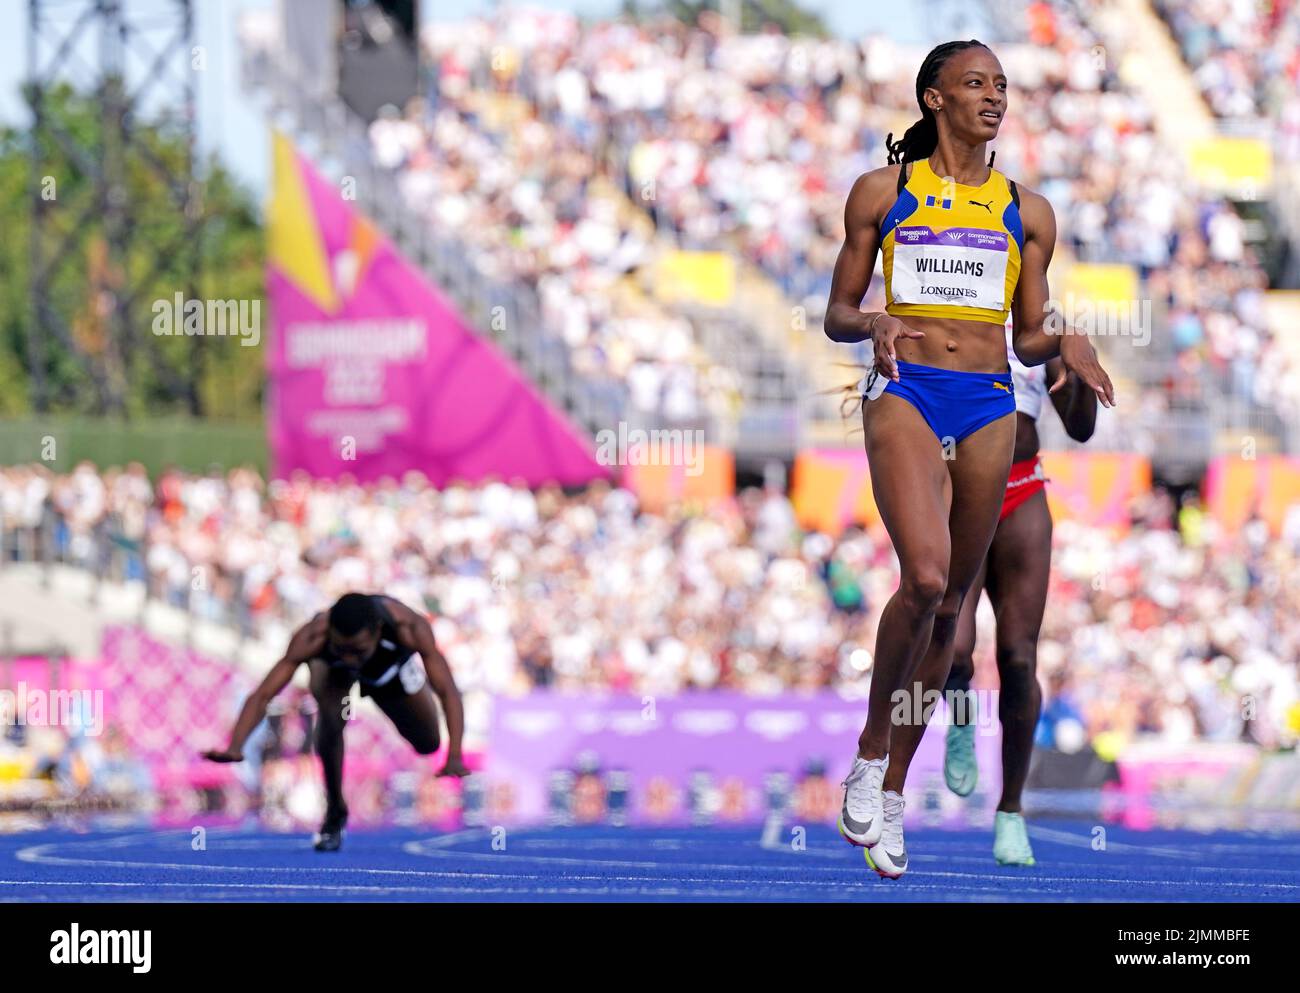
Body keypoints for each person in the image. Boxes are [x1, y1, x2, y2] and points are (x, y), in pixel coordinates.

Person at [823, 39, 1114, 878]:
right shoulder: (883, 192)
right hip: (907, 390)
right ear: (934, 97)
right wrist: (873, 321)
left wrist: (1068, 338)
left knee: (950, 613)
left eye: (1001, 85)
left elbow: (1028, 336)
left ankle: (894, 790)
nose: (994, 96)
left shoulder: (1029, 211)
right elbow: (837, 312)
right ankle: (870, 750)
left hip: (987, 404)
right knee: (923, 578)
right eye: (975, 83)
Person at [943, 324, 1097, 866]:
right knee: (954, 649)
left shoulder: (1041, 329)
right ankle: (961, 715)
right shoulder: (951, 303)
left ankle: (1010, 809)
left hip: (1022, 490)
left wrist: (1078, 373)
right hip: (961, 493)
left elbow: (1080, 429)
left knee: (1018, 656)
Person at [203, 592, 468, 850]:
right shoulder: (314, 636)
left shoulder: (408, 627)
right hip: (334, 673)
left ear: (377, 631)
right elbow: (264, 694)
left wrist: (454, 753)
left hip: (387, 670)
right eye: (343, 649)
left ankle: (398, 675)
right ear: (330, 632)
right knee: (331, 717)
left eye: (357, 650)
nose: (350, 658)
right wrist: (236, 746)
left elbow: (448, 690)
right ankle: (334, 809)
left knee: (428, 742)